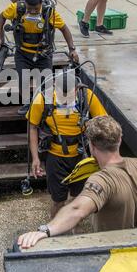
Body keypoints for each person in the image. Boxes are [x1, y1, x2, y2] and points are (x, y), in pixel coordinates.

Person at [18, 116, 137, 249]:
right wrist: (136, 205)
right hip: (132, 244)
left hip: (108, 250)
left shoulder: (102, 179)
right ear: (120, 140)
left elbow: (77, 209)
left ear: (91, 146)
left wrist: (44, 231)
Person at [26, 71, 107, 218]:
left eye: (68, 95)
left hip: (80, 156)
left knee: (78, 198)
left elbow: (105, 121)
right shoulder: (43, 99)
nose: (64, 99)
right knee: (58, 200)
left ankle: (76, 229)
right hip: (55, 157)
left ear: (76, 89)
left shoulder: (86, 96)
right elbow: (32, 127)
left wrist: (102, 154)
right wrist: (35, 158)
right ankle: (54, 229)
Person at [0, 0, 79, 115]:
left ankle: (46, 105)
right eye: (30, 9)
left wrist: (72, 49)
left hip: (43, 54)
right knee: (24, 79)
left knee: (46, 82)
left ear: (41, 4)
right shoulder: (17, 8)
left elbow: (64, 29)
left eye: (36, 8)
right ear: (25, 3)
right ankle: (28, 104)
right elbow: (1, 17)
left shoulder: (48, 12)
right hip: (23, 52)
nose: (33, 11)